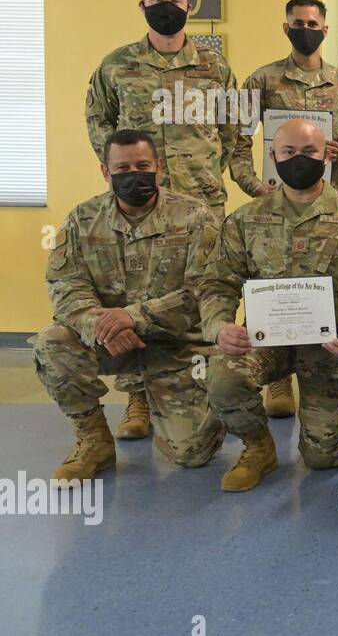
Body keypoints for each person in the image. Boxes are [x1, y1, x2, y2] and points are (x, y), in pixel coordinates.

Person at [85, 0, 239, 439]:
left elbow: (232, 128)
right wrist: (120, 174)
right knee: (136, 293)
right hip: (140, 205)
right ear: (142, 6)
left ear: (189, 6)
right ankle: (137, 397)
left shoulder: (215, 66)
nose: (166, 6)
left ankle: (207, 383)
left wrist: (218, 169)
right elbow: (99, 122)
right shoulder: (116, 66)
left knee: (206, 291)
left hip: (201, 201)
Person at [201, 119, 338, 492]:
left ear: (327, 155)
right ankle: (258, 447)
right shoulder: (246, 221)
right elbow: (218, 282)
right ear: (273, 156)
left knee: (325, 458)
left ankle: (337, 421)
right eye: (289, 152)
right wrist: (220, 326)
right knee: (222, 377)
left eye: (309, 152)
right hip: (266, 342)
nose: (299, 159)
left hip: (331, 348)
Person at [33, 129, 224, 481]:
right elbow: (65, 285)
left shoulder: (196, 216)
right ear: (106, 172)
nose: (132, 175)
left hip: (177, 344)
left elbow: (206, 291)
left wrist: (132, 318)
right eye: (122, 168)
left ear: (159, 168)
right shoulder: (82, 219)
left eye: (142, 165)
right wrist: (100, 325)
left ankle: (176, 405)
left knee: (192, 453)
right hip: (112, 342)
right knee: (52, 341)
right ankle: (93, 440)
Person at [230, 0, 338, 420]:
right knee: (271, 276)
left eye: (313, 23)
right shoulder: (260, 80)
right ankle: (278, 379)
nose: (305, 28)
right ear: (285, 27)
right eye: (297, 22)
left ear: (326, 30)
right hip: (275, 206)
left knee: (328, 282)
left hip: (330, 204)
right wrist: (257, 189)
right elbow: (235, 141)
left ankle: (324, 362)